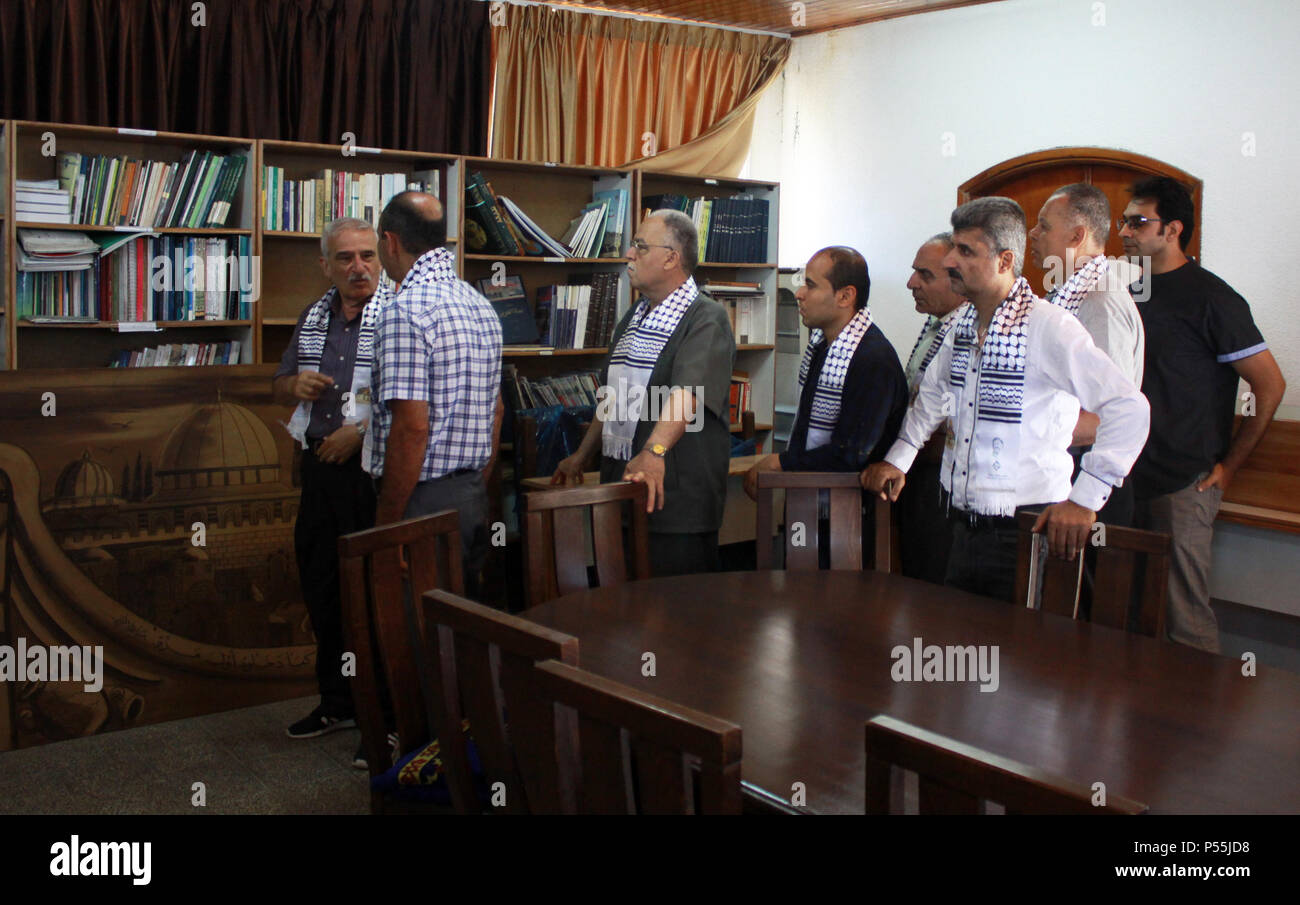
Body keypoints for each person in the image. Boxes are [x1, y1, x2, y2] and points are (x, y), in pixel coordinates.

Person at [862, 197, 1150, 603]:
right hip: (963, 523)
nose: (950, 262)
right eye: (952, 249)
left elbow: (1129, 408)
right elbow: (933, 396)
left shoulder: (1048, 326)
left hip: (1026, 528)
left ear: (1004, 260)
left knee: (1023, 660)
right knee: (964, 654)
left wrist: (1086, 498)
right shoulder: (962, 323)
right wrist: (900, 458)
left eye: (966, 251)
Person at [1121, 176, 1286, 653]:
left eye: (1138, 221)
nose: (1126, 231)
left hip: (1183, 479)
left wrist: (1229, 467)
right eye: (1124, 221)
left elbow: (1270, 384)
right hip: (1123, 473)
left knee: (1183, 619)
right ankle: (1135, 722)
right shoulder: (1129, 293)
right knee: (1124, 608)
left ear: (1172, 229)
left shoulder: (1213, 298)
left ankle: (1196, 724)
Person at [553, 209, 735, 576]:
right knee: (627, 615)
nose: (628, 255)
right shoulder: (636, 315)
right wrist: (582, 455)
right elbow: (613, 396)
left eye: (639, 246)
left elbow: (688, 393)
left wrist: (654, 450)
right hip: (623, 489)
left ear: (672, 257)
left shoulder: (706, 317)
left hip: (677, 502)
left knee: (675, 618)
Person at [273, 218, 381, 740]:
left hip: (373, 471)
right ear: (326, 266)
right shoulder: (314, 316)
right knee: (323, 587)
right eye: (346, 258)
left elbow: (415, 400)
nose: (358, 267)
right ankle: (336, 701)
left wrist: (359, 433)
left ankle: (381, 714)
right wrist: (296, 381)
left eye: (368, 255)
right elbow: (280, 382)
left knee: (374, 592)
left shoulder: (399, 315)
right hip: (319, 468)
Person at [370, 191, 503, 598]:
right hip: (470, 496)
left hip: (419, 501)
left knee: (414, 636)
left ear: (390, 241)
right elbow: (495, 412)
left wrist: (387, 528)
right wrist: (472, 482)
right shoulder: (480, 305)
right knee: (460, 631)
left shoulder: (404, 311)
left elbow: (412, 429)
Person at [743, 246, 905, 497]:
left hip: (849, 511)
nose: (799, 294)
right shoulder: (822, 345)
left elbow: (851, 453)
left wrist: (781, 462)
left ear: (845, 296)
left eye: (811, 285)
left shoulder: (873, 359)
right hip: (811, 502)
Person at [1029, 183, 1145, 525]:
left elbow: (1107, 415)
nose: (1033, 234)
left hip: (1088, 486)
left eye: (1044, 226)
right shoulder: (1065, 292)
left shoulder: (1099, 300)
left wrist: (1025, 429)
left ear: (1077, 236)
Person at [897, 233, 967, 584]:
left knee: (934, 584)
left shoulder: (969, 334)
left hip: (943, 483)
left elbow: (954, 420)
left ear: (958, 281)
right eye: (914, 272)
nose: (912, 283)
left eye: (925, 275)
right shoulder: (935, 323)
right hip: (916, 472)